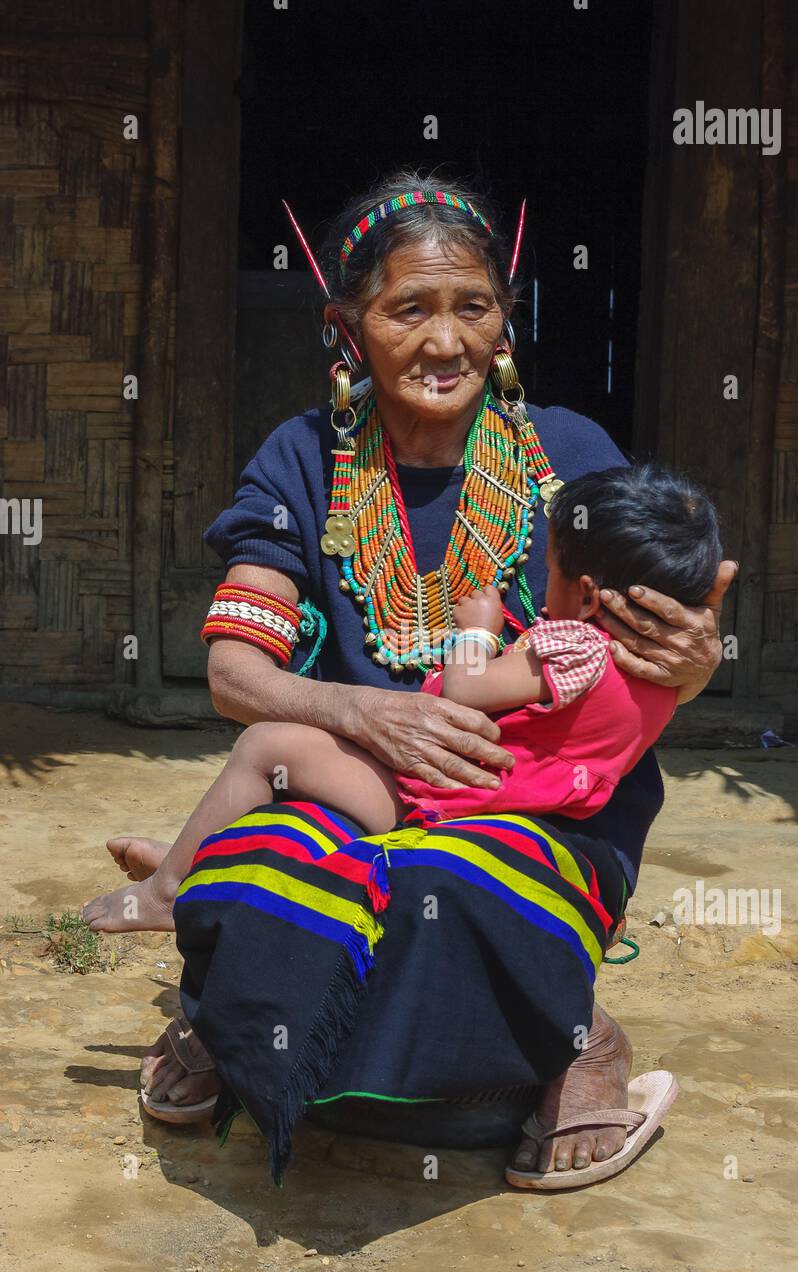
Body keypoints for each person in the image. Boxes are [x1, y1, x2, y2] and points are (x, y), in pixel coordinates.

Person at [100, 171, 735, 1189]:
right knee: (259, 861)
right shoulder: (301, 461)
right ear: (345, 324)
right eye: (408, 309)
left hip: (536, 812)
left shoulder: (571, 458)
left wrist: (693, 670)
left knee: (447, 889)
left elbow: (643, 666)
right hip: (363, 786)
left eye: (471, 307)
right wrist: (362, 710)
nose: (445, 343)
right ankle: (230, 1021)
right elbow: (232, 672)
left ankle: (578, 1040)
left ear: (504, 321)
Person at [82, 465, 722, 935]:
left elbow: (469, 688)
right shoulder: (664, 672)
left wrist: (478, 629)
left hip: (438, 793)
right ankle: (190, 863)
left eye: (548, 569)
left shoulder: (574, 647)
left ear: (586, 596)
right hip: (514, 808)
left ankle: (169, 891)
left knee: (266, 747)